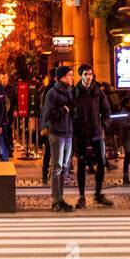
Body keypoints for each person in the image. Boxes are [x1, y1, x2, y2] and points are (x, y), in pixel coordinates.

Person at [71, 63, 114, 208]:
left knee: (101, 163)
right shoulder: (74, 92)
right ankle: (82, 196)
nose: (88, 77)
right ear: (81, 76)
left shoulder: (98, 92)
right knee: (81, 163)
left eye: (90, 74)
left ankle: (98, 194)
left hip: (96, 132)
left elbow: (107, 110)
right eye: (85, 74)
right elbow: (70, 112)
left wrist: (103, 125)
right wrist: (73, 128)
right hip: (81, 133)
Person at [41, 64, 76, 212]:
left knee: (64, 168)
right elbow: (48, 115)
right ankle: (56, 200)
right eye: (69, 75)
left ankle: (61, 198)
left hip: (68, 133)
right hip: (57, 134)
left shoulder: (69, 92)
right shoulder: (53, 93)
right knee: (57, 167)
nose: (72, 78)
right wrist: (65, 109)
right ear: (62, 77)